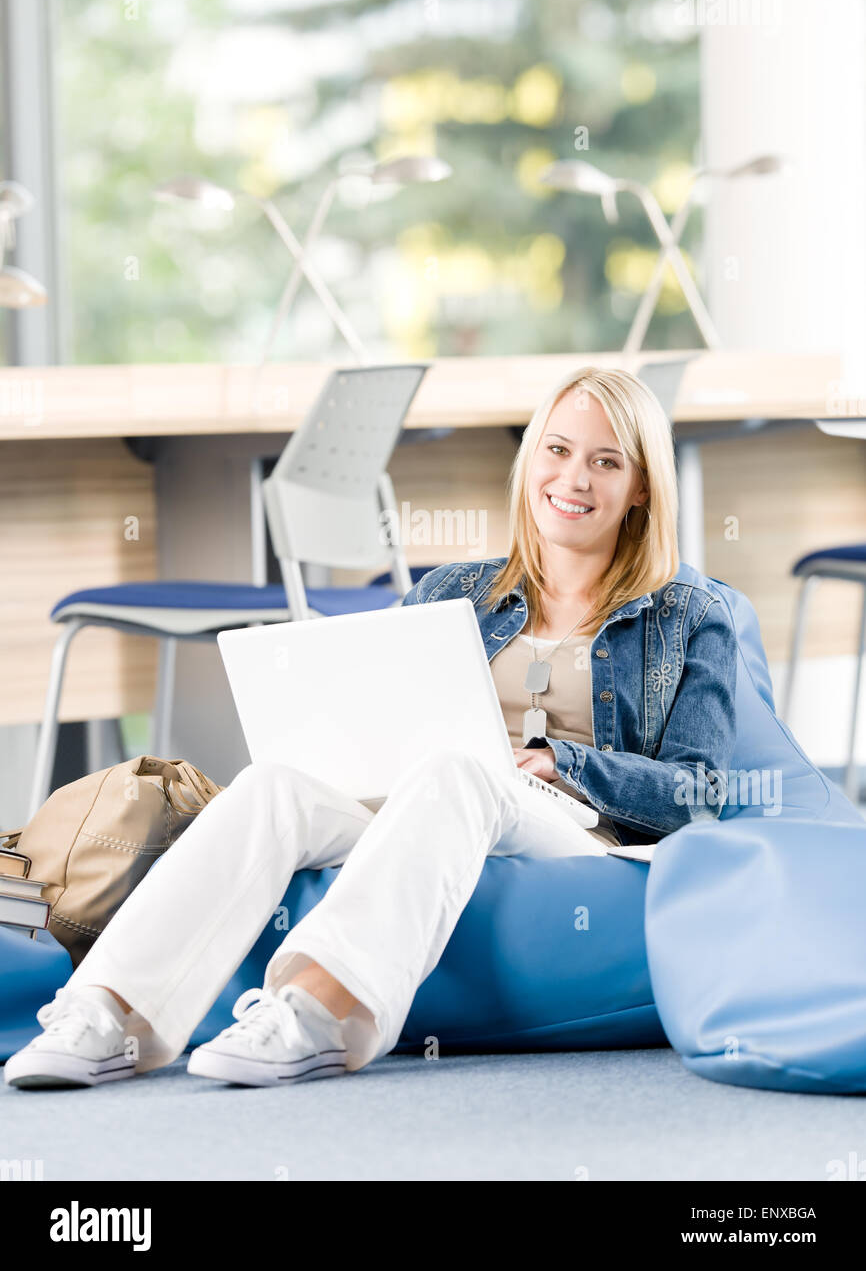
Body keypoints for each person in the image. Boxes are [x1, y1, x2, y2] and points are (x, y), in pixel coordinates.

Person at [4, 365, 737, 1090]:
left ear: (641, 486)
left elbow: (702, 791)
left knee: (463, 770)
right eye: (557, 450)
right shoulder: (453, 591)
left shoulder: (691, 614)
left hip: (577, 836)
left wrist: (560, 763)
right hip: (426, 814)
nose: (573, 478)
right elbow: (378, 709)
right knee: (272, 787)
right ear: (529, 461)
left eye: (605, 462)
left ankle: (318, 1014)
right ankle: (106, 1014)